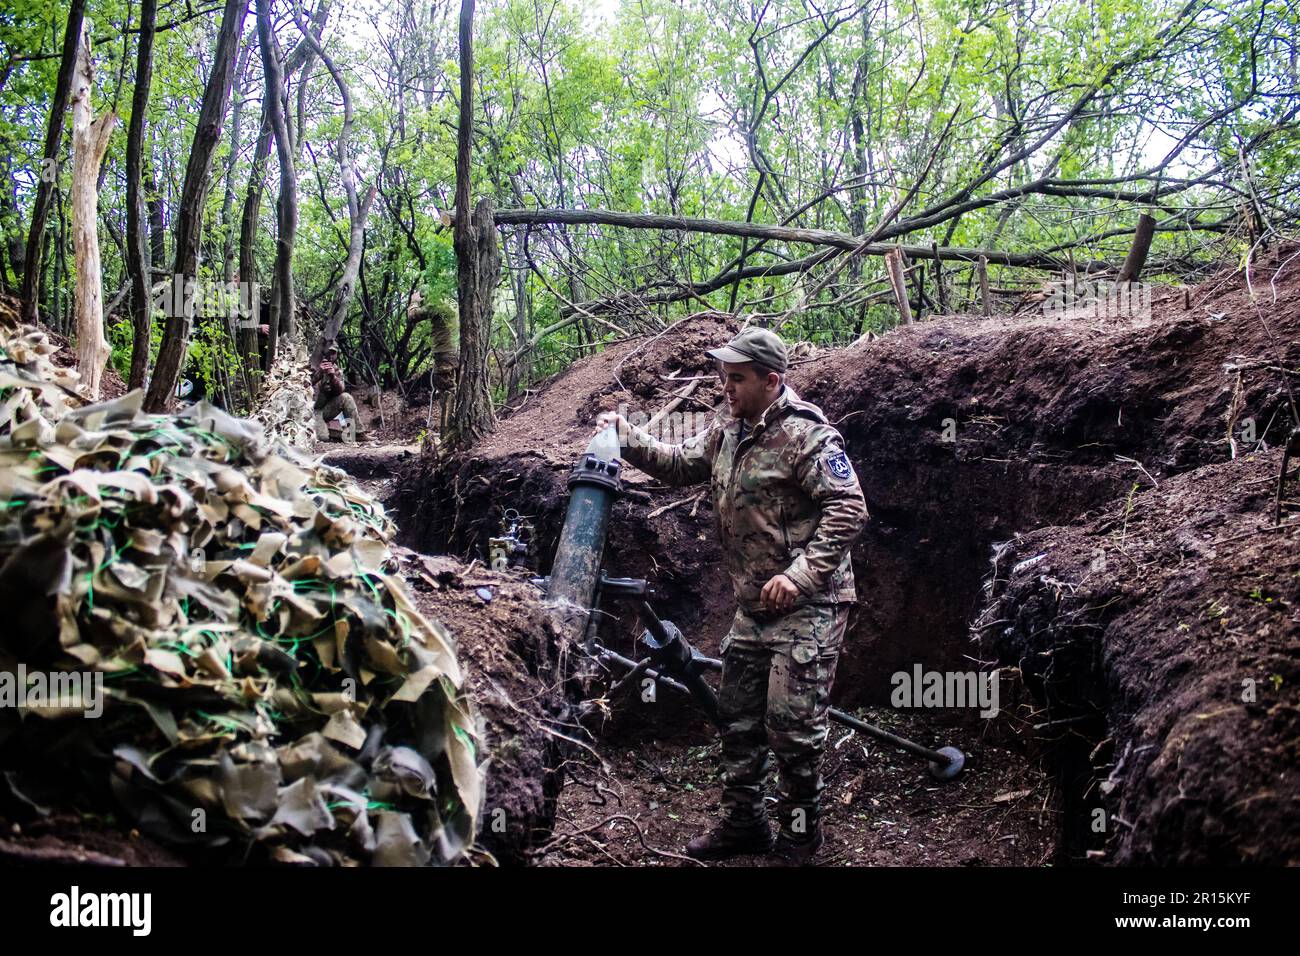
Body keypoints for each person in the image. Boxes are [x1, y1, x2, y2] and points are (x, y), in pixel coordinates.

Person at [596, 327, 868, 865]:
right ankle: (746, 825)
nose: (726, 387)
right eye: (724, 376)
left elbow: (850, 508)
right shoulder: (728, 430)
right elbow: (677, 463)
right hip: (754, 609)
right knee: (738, 720)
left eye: (737, 378)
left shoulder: (809, 436)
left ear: (772, 380)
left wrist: (802, 575)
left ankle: (799, 835)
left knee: (792, 728)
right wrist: (627, 436)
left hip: (810, 605)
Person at [312, 343, 366, 442]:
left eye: (333, 353)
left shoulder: (335, 370)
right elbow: (303, 385)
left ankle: (358, 433)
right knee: (323, 437)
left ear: (337, 355)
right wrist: (319, 373)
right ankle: (331, 433)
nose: (330, 356)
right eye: (328, 353)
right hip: (308, 411)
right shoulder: (312, 366)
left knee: (346, 397)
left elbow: (341, 390)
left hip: (322, 410)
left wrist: (333, 377)